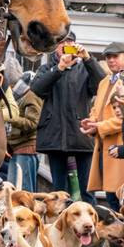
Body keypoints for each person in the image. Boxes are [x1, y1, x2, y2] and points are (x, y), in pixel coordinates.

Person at [30, 35, 104, 201]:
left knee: (87, 190)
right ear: (55, 46)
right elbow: (36, 89)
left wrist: (88, 59)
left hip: (81, 133)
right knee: (58, 191)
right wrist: (60, 68)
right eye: (61, 42)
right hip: (54, 135)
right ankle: (60, 223)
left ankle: (89, 222)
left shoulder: (85, 68)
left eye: (70, 42)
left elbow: (102, 84)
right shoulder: (48, 67)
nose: (65, 45)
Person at [84, 42, 124, 204]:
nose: (111, 60)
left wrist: (100, 127)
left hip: (122, 144)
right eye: (108, 57)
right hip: (104, 146)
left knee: (123, 199)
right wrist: (91, 123)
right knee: (111, 198)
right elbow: (96, 109)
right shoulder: (104, 81)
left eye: (115, 56)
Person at [2, 71, 43, 192]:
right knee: (14, 191)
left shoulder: (31, 95)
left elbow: (33, 123)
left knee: (23, 192)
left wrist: (12, 118)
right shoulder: (18, 95)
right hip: (16, 148)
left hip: (26, 149)